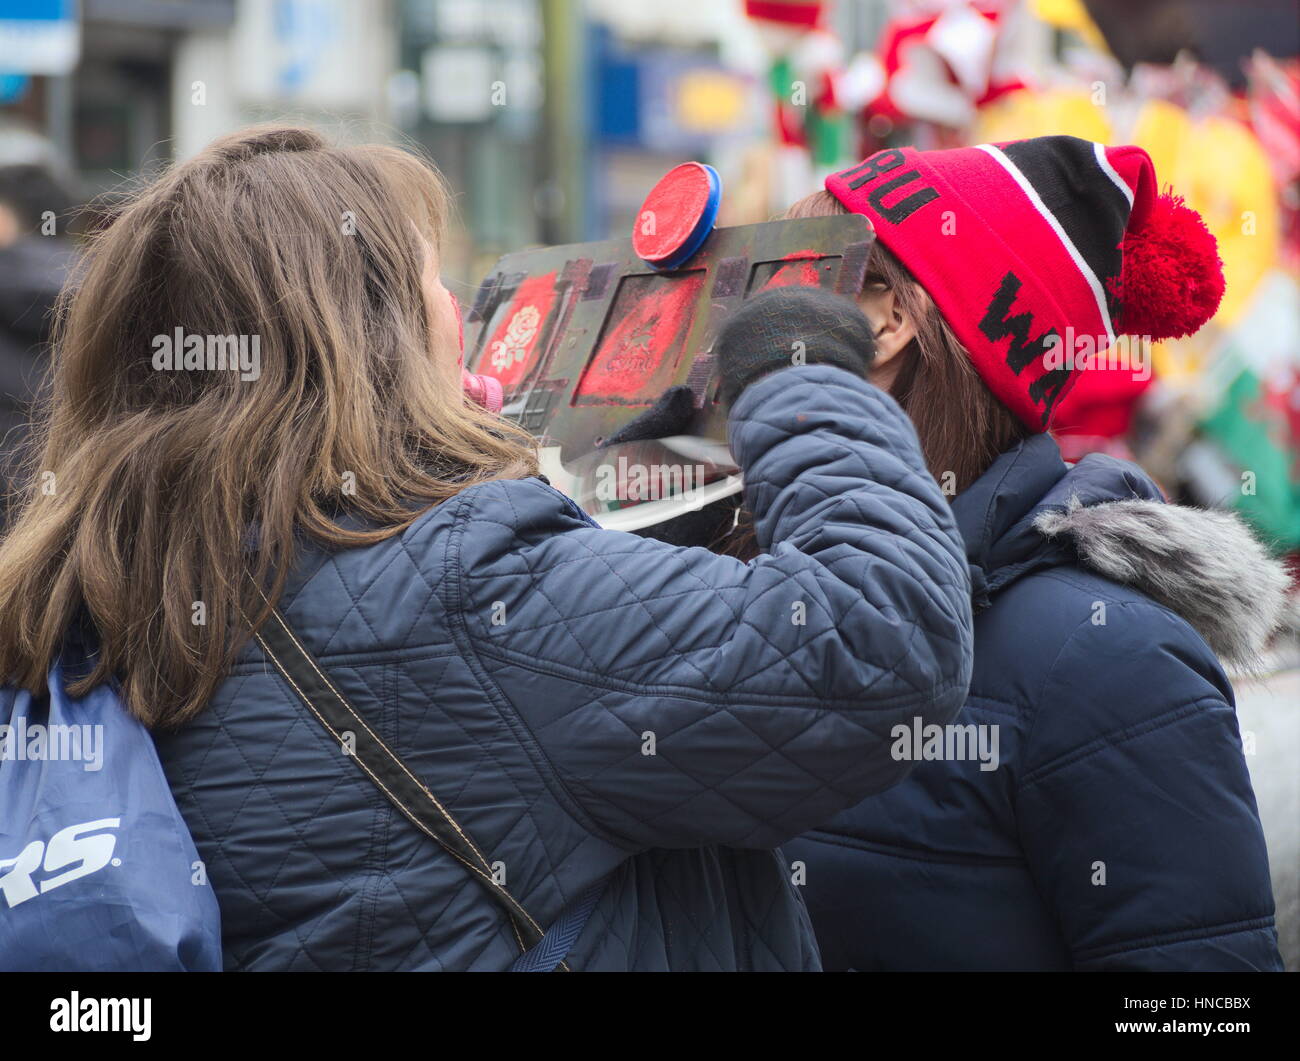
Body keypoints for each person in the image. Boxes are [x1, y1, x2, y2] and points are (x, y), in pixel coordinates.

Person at [0, 125, 974, 971]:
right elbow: (882, 637)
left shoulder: (88, 600)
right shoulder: (462, 582)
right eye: (435, 286)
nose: (460, 315)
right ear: (368, 341)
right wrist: (796, 370)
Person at [775, 136, 1288, 970]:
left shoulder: (1109, 663)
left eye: (799, 272)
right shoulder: (794, 595)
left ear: (886, 321)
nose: (756, 313)